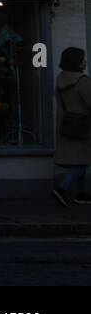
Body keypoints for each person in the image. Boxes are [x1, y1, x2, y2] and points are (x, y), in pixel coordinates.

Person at [53, 46, 91, 207]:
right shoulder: (82, 81)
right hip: (83, 126)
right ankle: (62, 189)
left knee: (79, 159)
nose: (85, 61)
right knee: (83, 161)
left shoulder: (60, 78)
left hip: (67, 124)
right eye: (83, 58)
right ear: (77, 61)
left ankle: (81, 194)